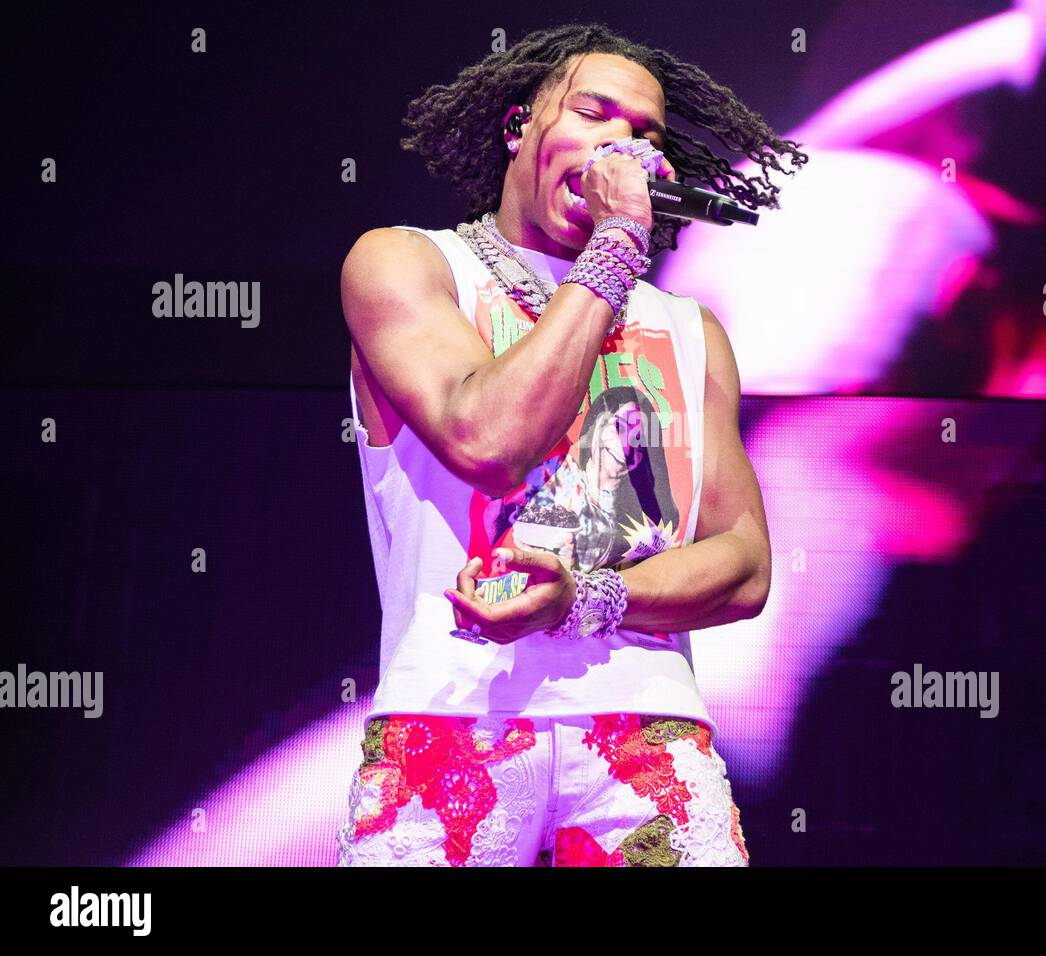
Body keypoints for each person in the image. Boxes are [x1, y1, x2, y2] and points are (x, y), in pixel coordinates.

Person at [334, 22, 805, 866]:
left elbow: (745, 563)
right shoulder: (409, 265)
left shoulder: (688, 327)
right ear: (519, 128)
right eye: (595, 114)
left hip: (648, 732)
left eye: (646, 133)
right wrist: (617, 245)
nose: (623, 143)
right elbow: (488, 439)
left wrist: (586, 599)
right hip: (453, 719)